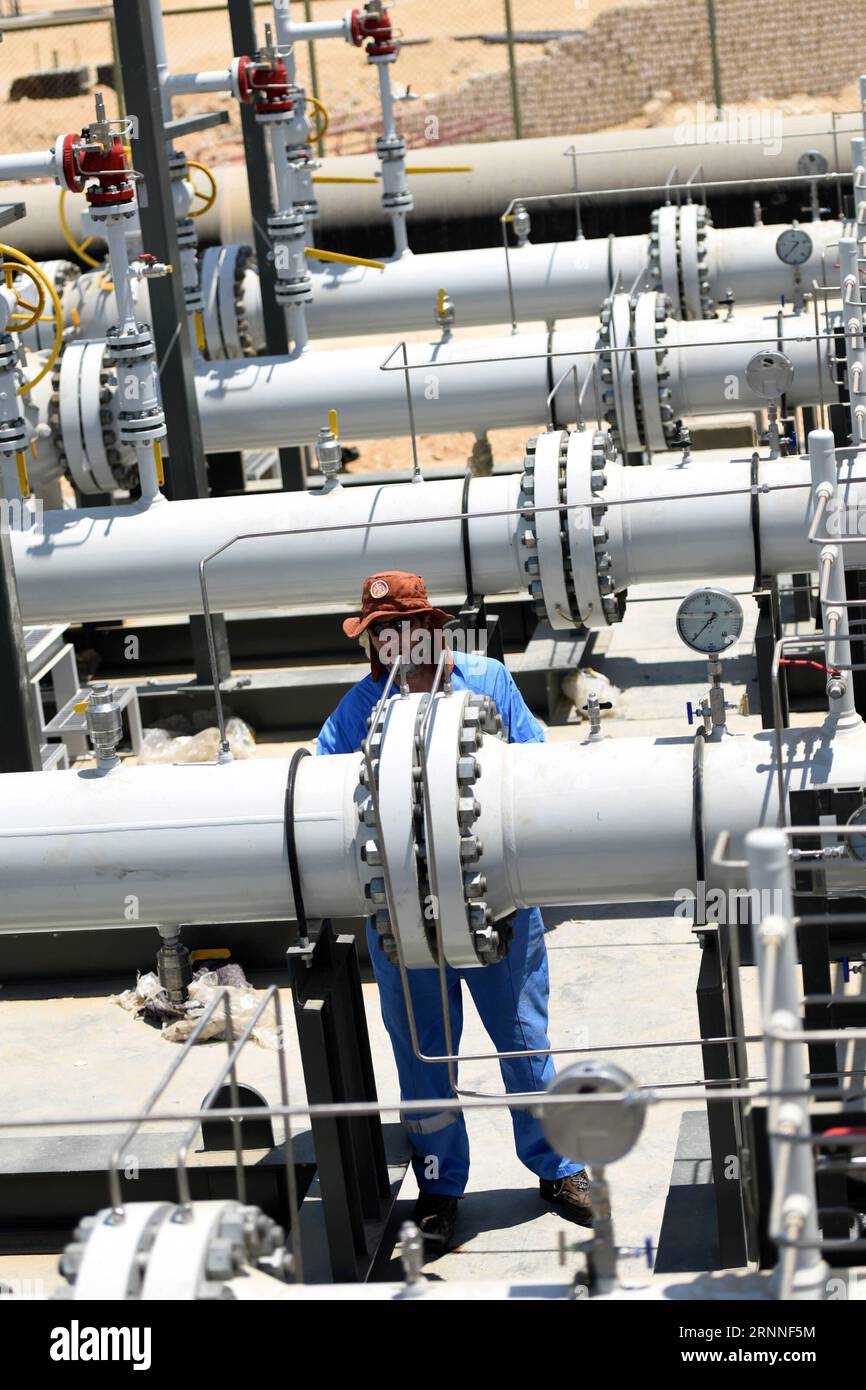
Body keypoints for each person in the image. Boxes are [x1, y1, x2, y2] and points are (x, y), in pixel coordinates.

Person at [316, 571, 591, 1252]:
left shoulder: (488, 682)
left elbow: (534, 772)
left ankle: (558, 1170)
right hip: (403, 920)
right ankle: (440, 1186)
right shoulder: (357, 709)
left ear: (431, 629)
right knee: (422, 1057)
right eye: (377, 633)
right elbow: (320, 797)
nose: (389, 644)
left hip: (494, 906)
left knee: (524, 1040)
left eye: (399, 629)